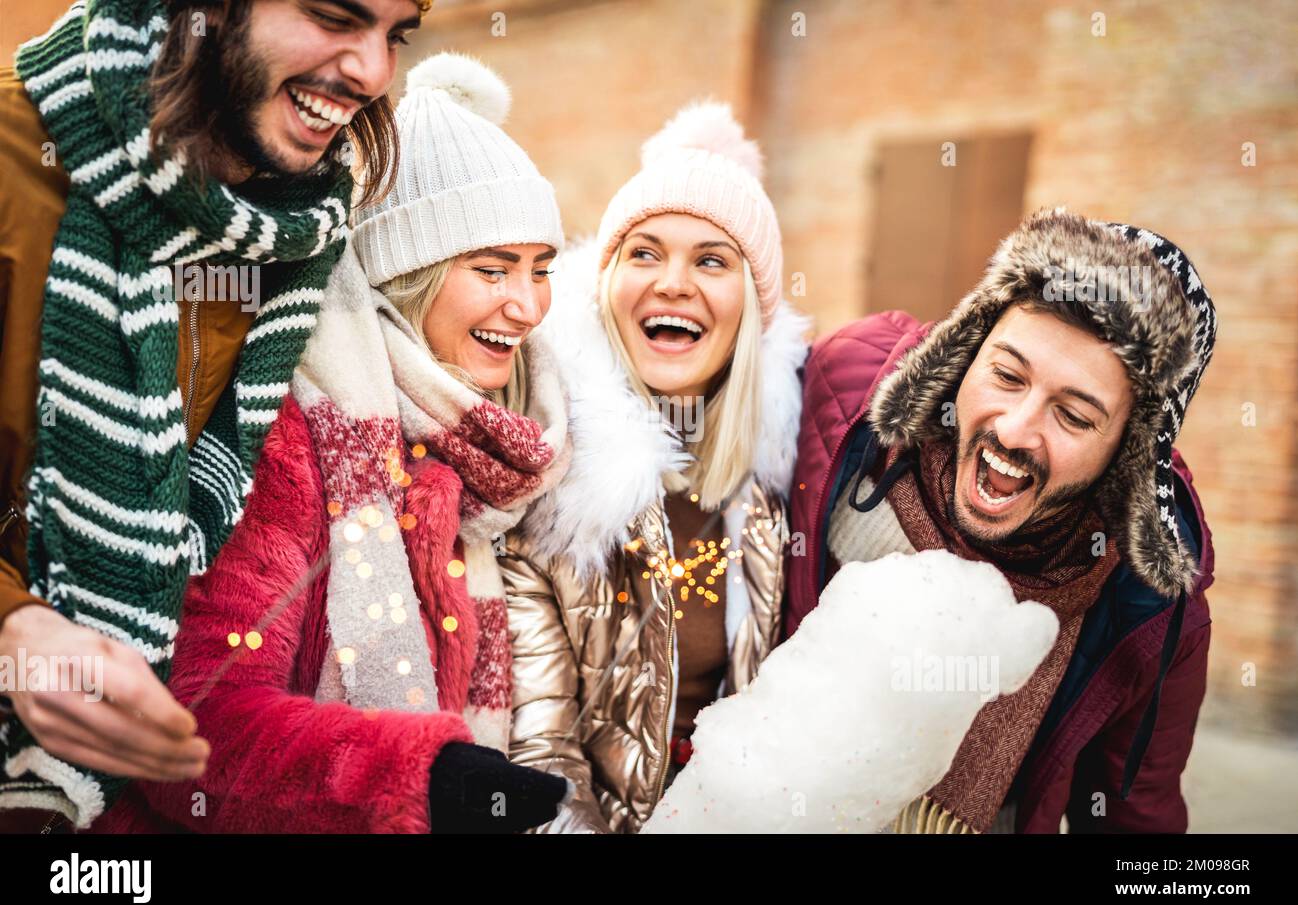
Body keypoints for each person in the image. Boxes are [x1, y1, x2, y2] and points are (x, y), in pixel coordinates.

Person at [89, 52, 575, 833]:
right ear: (407, 274)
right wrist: (420, 776)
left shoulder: (517, 457)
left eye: (541, 269)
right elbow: (195, 720)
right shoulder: (295, 436)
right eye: (493, 269)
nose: (527, 306)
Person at [0, 0, 426, 829]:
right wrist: (16, 635)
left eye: (396, 34)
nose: (373, 73)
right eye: (336, 15)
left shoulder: (298, 232)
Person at [785, 207, 1218, 833]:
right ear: (969, 348)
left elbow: (1138, 821)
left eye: (1073, 416)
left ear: (1127, 451)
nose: (1015, 430)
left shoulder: (1146, 599)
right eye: (1007, 375)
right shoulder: (844, 401)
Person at [502, 102, 809, 833]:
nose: (673, 282)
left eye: (711, 259)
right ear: (606, 284)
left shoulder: (772, 490)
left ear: (752, 310)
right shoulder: (549, 479)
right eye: (644, 252)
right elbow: (539, 753)